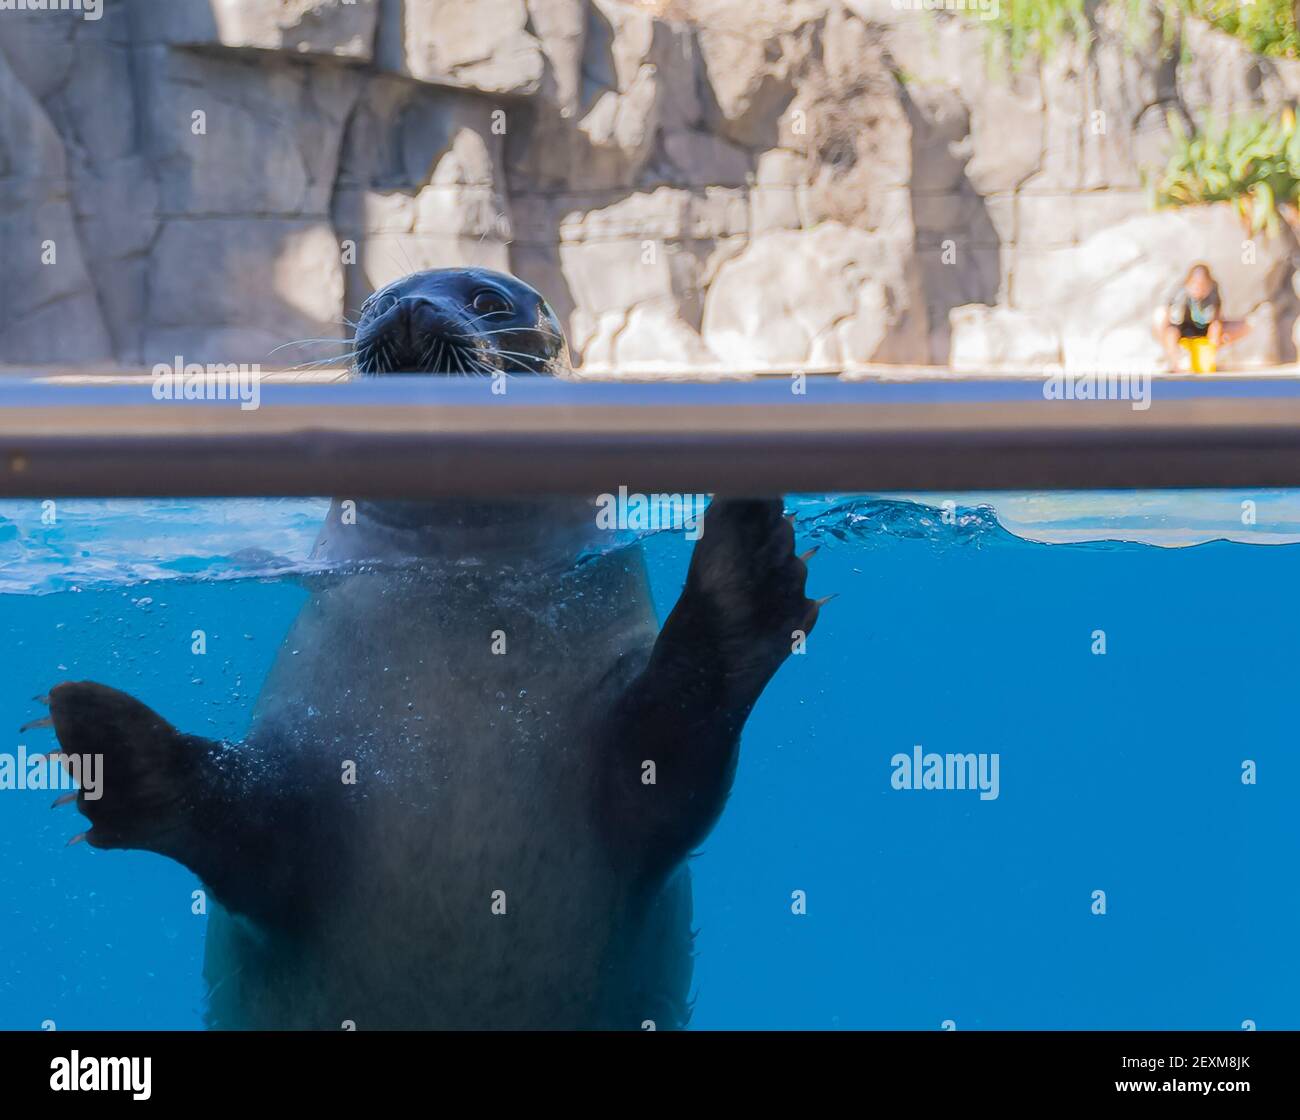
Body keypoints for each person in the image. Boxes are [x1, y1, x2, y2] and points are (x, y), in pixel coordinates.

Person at [1153, 263, 1251, 370]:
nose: (1199, 288)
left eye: (1203, 285)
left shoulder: (1213, 292)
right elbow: (1169, 318)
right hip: (1183, 329)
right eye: (1195, 285)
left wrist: (1216, 338)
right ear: (1187, 284)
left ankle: (1209, 358)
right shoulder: (1181, 294)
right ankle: (1175, 361)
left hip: (1204, 330)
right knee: (1168, 329)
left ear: (1209, 285)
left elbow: (1217, 318)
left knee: (1242, 326)